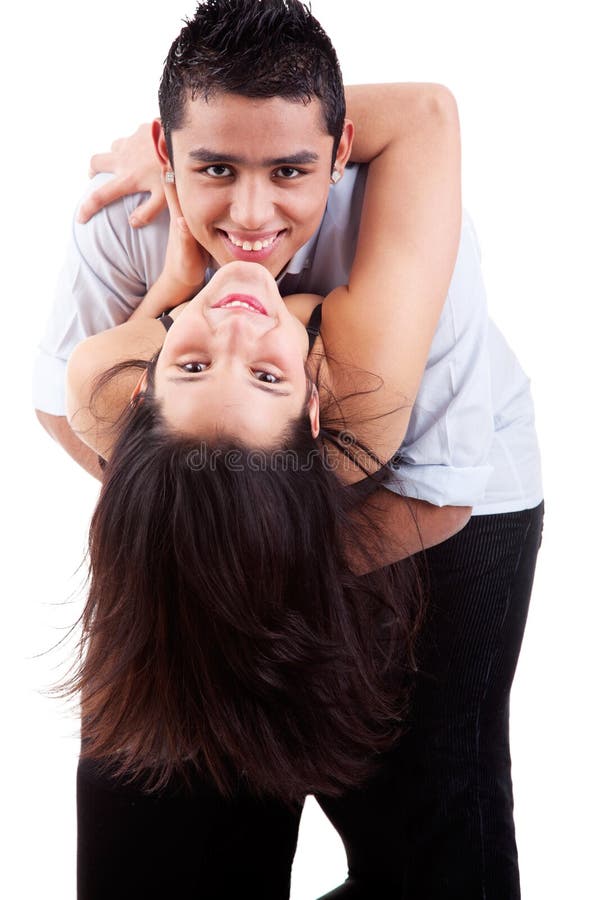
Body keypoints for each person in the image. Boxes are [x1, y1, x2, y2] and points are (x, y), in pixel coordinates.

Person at [34, 2, 543, 898]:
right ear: (165, 151)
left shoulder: (386, 328)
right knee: (163, 799)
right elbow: (61, 408)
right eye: (215, 167)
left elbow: (440, 499)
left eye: (292, 168)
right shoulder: (128, 229)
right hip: (194, 515)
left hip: (427, 510)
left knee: (429, 818)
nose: (252, 214)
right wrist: (189, 545)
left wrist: (248, 568)